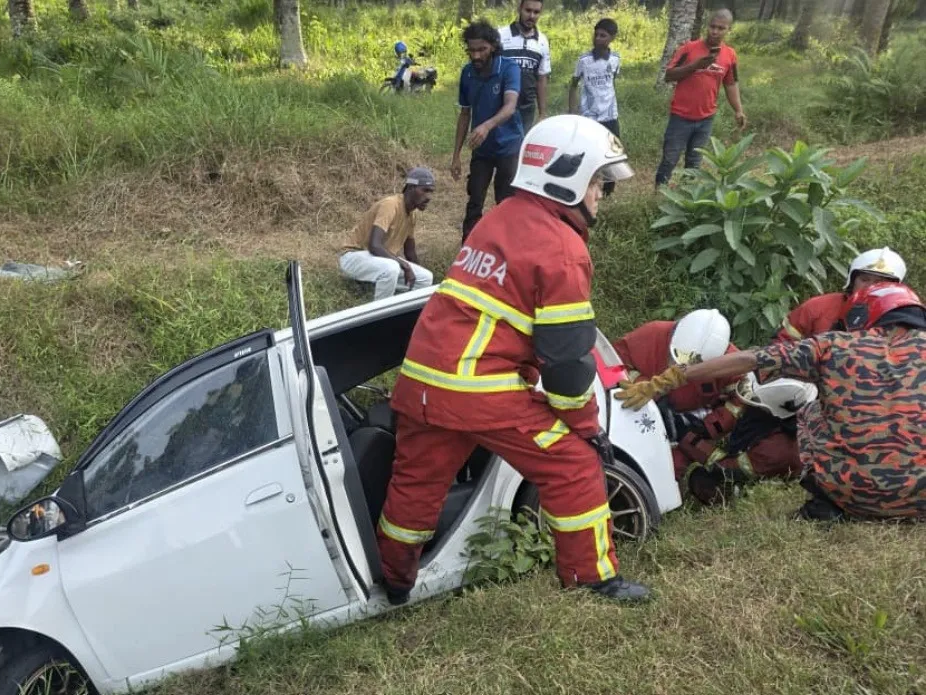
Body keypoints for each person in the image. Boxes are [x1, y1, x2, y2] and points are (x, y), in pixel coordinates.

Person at [375, 115, 649, 606]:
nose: (600, 194)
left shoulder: (498, 217)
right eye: (596, 181)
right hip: (475, 388)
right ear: (567, 177)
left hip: (421, 380)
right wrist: (588, 429)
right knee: (574, 465)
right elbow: (567, 366)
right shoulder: (562, 249)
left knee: (415, 485)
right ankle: (593, 579)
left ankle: (394, 583)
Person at [615, 281, 926, 522]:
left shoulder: (834, 345)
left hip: (851, 498)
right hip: (920, 500)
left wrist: (671, 379)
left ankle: (825, 503)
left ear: (862, 315)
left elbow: (751, 359)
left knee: (809, 404)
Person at [610, 309, 760, 501]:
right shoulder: (651, 335)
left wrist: (707, 428)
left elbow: (739, 402)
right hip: (637, 408)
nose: (681, 367)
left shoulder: (731, 363)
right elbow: (614, 362)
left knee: (663, 478)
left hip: (692, 419)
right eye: (677, 357)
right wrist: (647, 389)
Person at [654, 9, 746, 188]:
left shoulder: (730, 55)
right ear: (707, 26)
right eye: (712, 26)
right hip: (680, 117)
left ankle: (687, 194)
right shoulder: (689, 49)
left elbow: (731, 84)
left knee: (694, 162)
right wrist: (695, 65)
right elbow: (669, 75)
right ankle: (659, 192)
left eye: (721, 28)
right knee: (670, 158)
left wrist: (738, 110)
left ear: (729, 30)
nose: (715, 31)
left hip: (706, 119)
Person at [452, 20, 524, 242]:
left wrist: (486, 125)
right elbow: (465, 114)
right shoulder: (467, 73)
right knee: (475, 199)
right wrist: (456, 156)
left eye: (482, 49)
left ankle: (506, 248)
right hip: (481, 150)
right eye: (471, 50)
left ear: (493, 46)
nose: (476, 56)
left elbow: (510, 106)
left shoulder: (509, 69)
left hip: (509, 147)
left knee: (506, 201)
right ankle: (468, 248)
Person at [338, 167, 436, 301]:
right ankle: (379, 312)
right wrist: (405, 265)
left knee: (425, 278)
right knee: (391, 268)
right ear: (411, 188)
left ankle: (400, 309)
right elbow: (374, 245)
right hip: (353, 257)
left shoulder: (412, 215)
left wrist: (413, 271)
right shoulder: (391, 205)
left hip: (379, 260)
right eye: (425, 190)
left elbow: (410, 252)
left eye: (431, 192)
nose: (429, 197)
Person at [776, 247, 908, 342]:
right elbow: (781, 344)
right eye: (864, 279)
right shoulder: (817, 307)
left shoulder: (902, 320)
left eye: (880, 283)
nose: (870, 287)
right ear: (852, 281)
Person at [569, 18, 621, 196]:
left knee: (612, 152)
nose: (598, 38)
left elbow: (612, 82)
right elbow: (574, 84)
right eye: (596, 34)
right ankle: (585, 187)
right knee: (587, 152)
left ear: (612, 38)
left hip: (610, 115)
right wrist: (572, 111)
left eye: (603, 35)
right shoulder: (584, 60)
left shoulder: (615, 59)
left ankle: (608, 191)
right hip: (589, 115)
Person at [499, 0, 552, 132]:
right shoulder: (500, 35)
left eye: (536, 12)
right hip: (500, 106)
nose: (531, 16)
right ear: (519, 9)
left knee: (523, 142)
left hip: (526, 108)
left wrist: (542, 114)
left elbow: (541, 78)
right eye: (528, 10)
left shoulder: (542, 41)